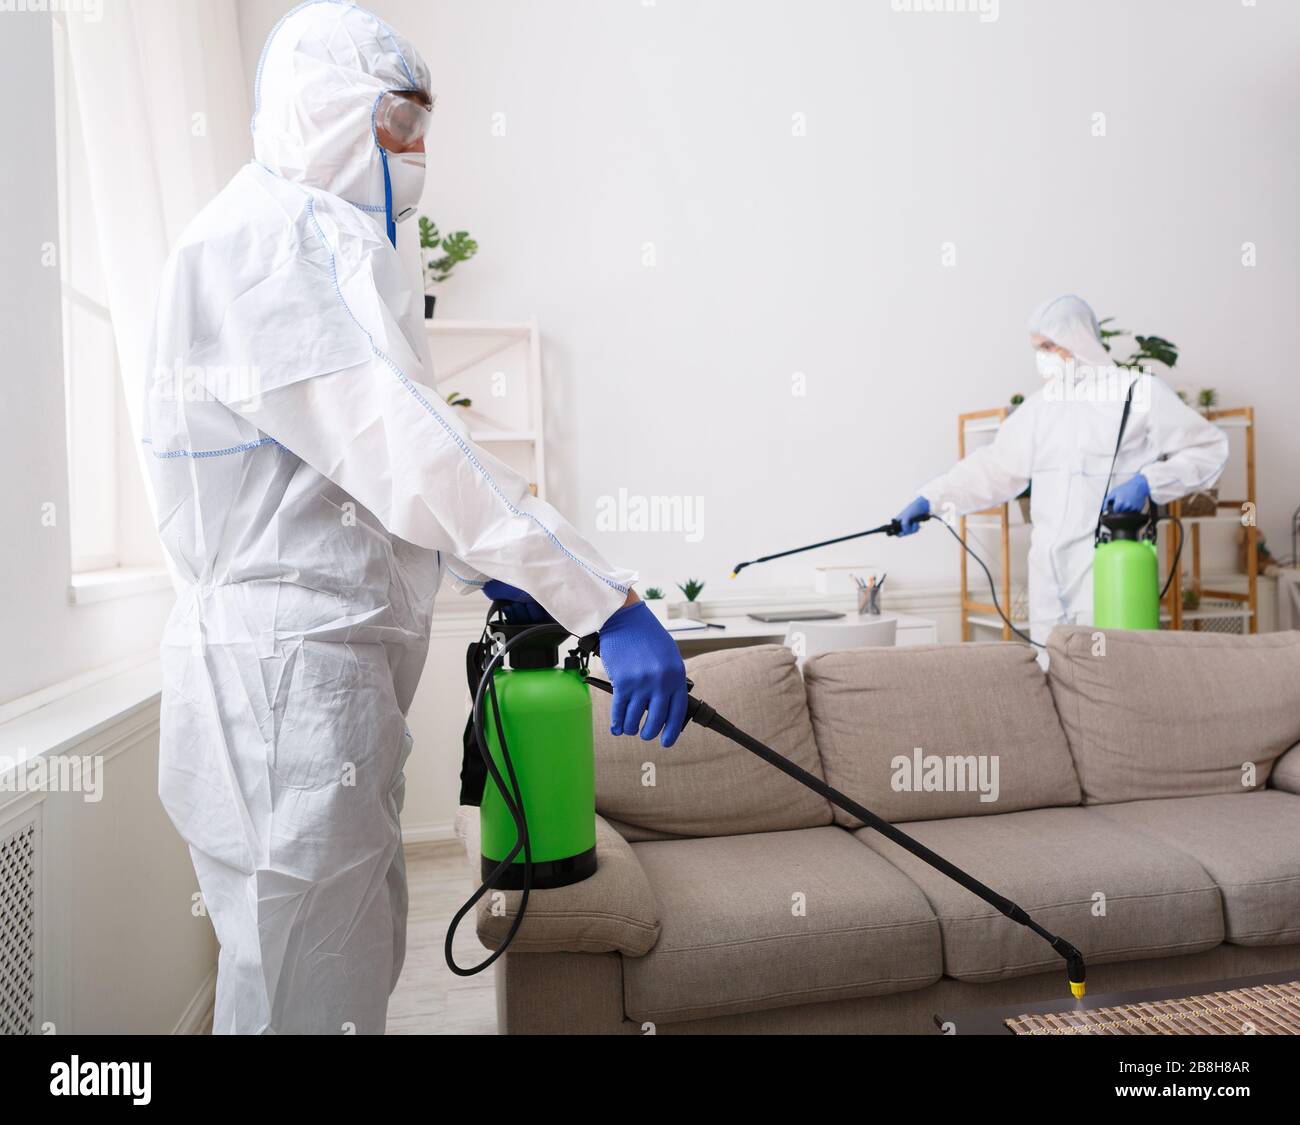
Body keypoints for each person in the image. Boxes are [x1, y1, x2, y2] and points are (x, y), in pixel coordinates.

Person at [143, 1, 685, 1035]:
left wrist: (496, 569)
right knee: (311, 994)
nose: (417, 151)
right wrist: (602, 600)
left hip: (311, 681)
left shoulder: (314, 244)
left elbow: (351, 478)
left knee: (333, 972)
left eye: (424, 124)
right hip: (285, 687)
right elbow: (405, 445)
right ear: (325, 110)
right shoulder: (265, 246)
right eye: (397, 122)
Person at [893, 294, 1228, 644]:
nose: (1042, 357)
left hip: (1109, 570)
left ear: (1076, 339)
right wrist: (930, 500)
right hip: (1047, 582)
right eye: (1037, 348)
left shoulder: (1137, 391)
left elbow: (1209, 448)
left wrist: (1148, 482)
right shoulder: (1041, 408)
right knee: (1048, 667)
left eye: (1048, 346)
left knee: (1111, 668)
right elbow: (994, 468)